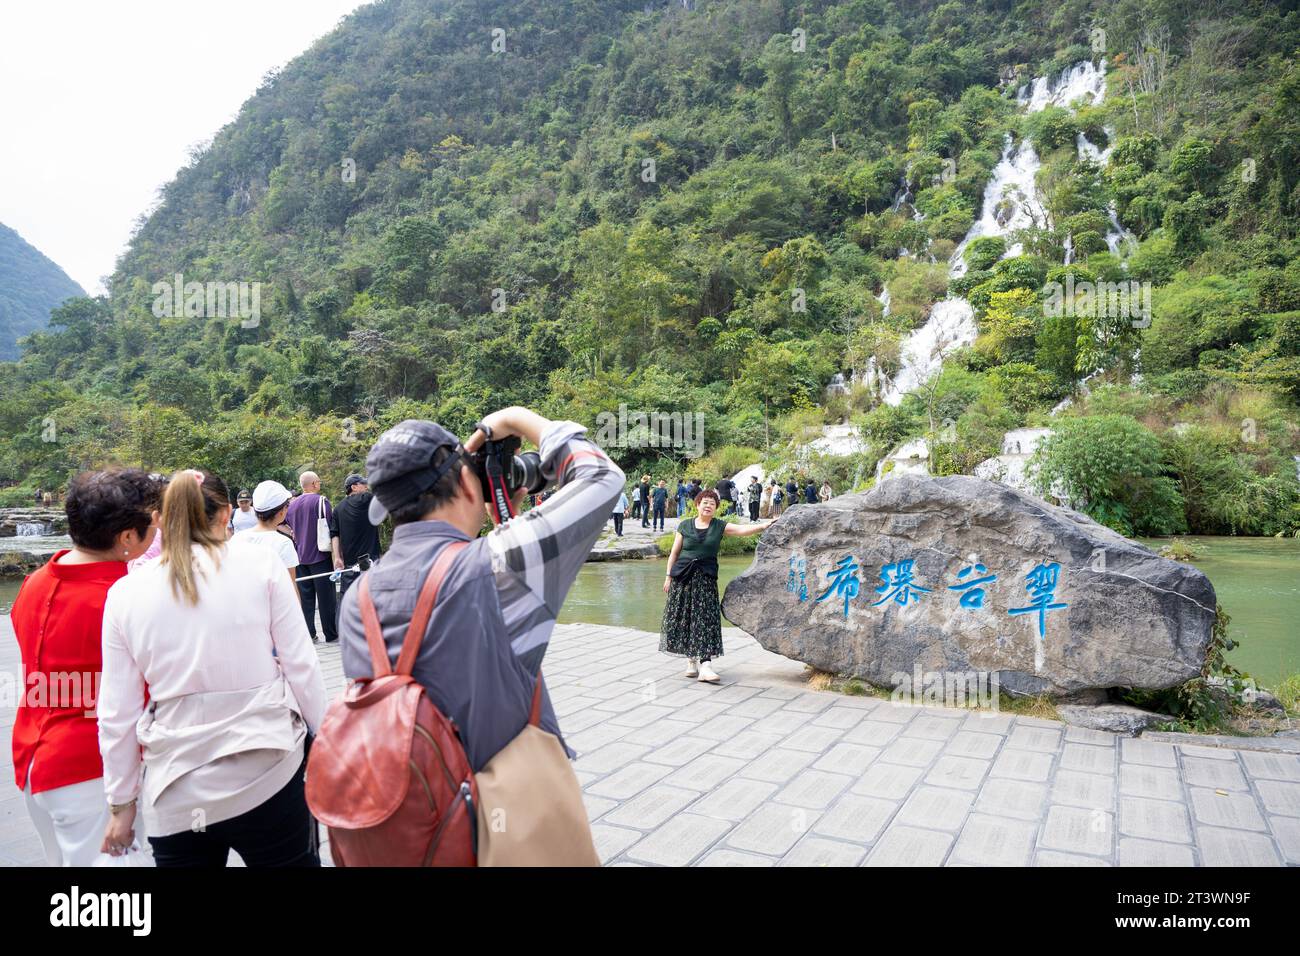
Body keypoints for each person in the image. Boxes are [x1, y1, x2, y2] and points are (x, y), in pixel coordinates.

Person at [337, 407, 623, 785]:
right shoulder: (501, 563)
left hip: (412, 804)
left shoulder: (357, 598)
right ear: (466, 483)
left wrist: (507, 521)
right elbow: (603, 475)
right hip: (506, 810)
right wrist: (514, 417)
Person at [98, 469, 327, 867]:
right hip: (269, 773)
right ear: (226, 513)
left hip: (177, 791)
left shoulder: (125, 593)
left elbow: (117, 712)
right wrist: (324, 742)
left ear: (161, 519)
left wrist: (121, 803)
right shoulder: (261, 564)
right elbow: (301, 665)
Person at [10, 469, 160, 866]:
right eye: (152, 520)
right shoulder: (124, 596)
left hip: (36, 758)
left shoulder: (34, 583)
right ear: (127, 537)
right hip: (93, 769)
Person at [661, 490, 770, 683]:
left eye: (712, 503)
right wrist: (668, 576)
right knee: (686, 617)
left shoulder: (719, 526)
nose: (708, 506)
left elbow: (741, 530)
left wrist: (763, 526)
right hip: (683, 578)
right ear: (697, 505)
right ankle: (691, 660)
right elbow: (674, 553)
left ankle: (706, 665)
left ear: (716, 508)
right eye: (705, 502)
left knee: (705, 618)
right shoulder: (685, 525)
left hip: (706, 579)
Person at [285, 471, 338, 643]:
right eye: (319, 482)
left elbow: (280, 524)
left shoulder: (291, 505)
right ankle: (330, 634)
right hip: (320, 555)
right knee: (326, 598)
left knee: (305, 599)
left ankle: (309, 634)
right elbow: (330, 525)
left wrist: (293, 532)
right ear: (314, 483)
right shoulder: (321, 501)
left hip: (299, 556)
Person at [329, 473, 382, 606]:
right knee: (372, 601)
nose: (366, 486)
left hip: (349, 565)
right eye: (363, 484)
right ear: (354, 487)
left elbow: (334, 535)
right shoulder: (367, 499)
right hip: (369, 561)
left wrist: (337, 558)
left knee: (348, 602)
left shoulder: (338, 509)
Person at [235, 480, 299, 589]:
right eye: (287, 505)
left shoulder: (237, 538)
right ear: (282, 511)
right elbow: (290, 586)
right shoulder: (283, 543)